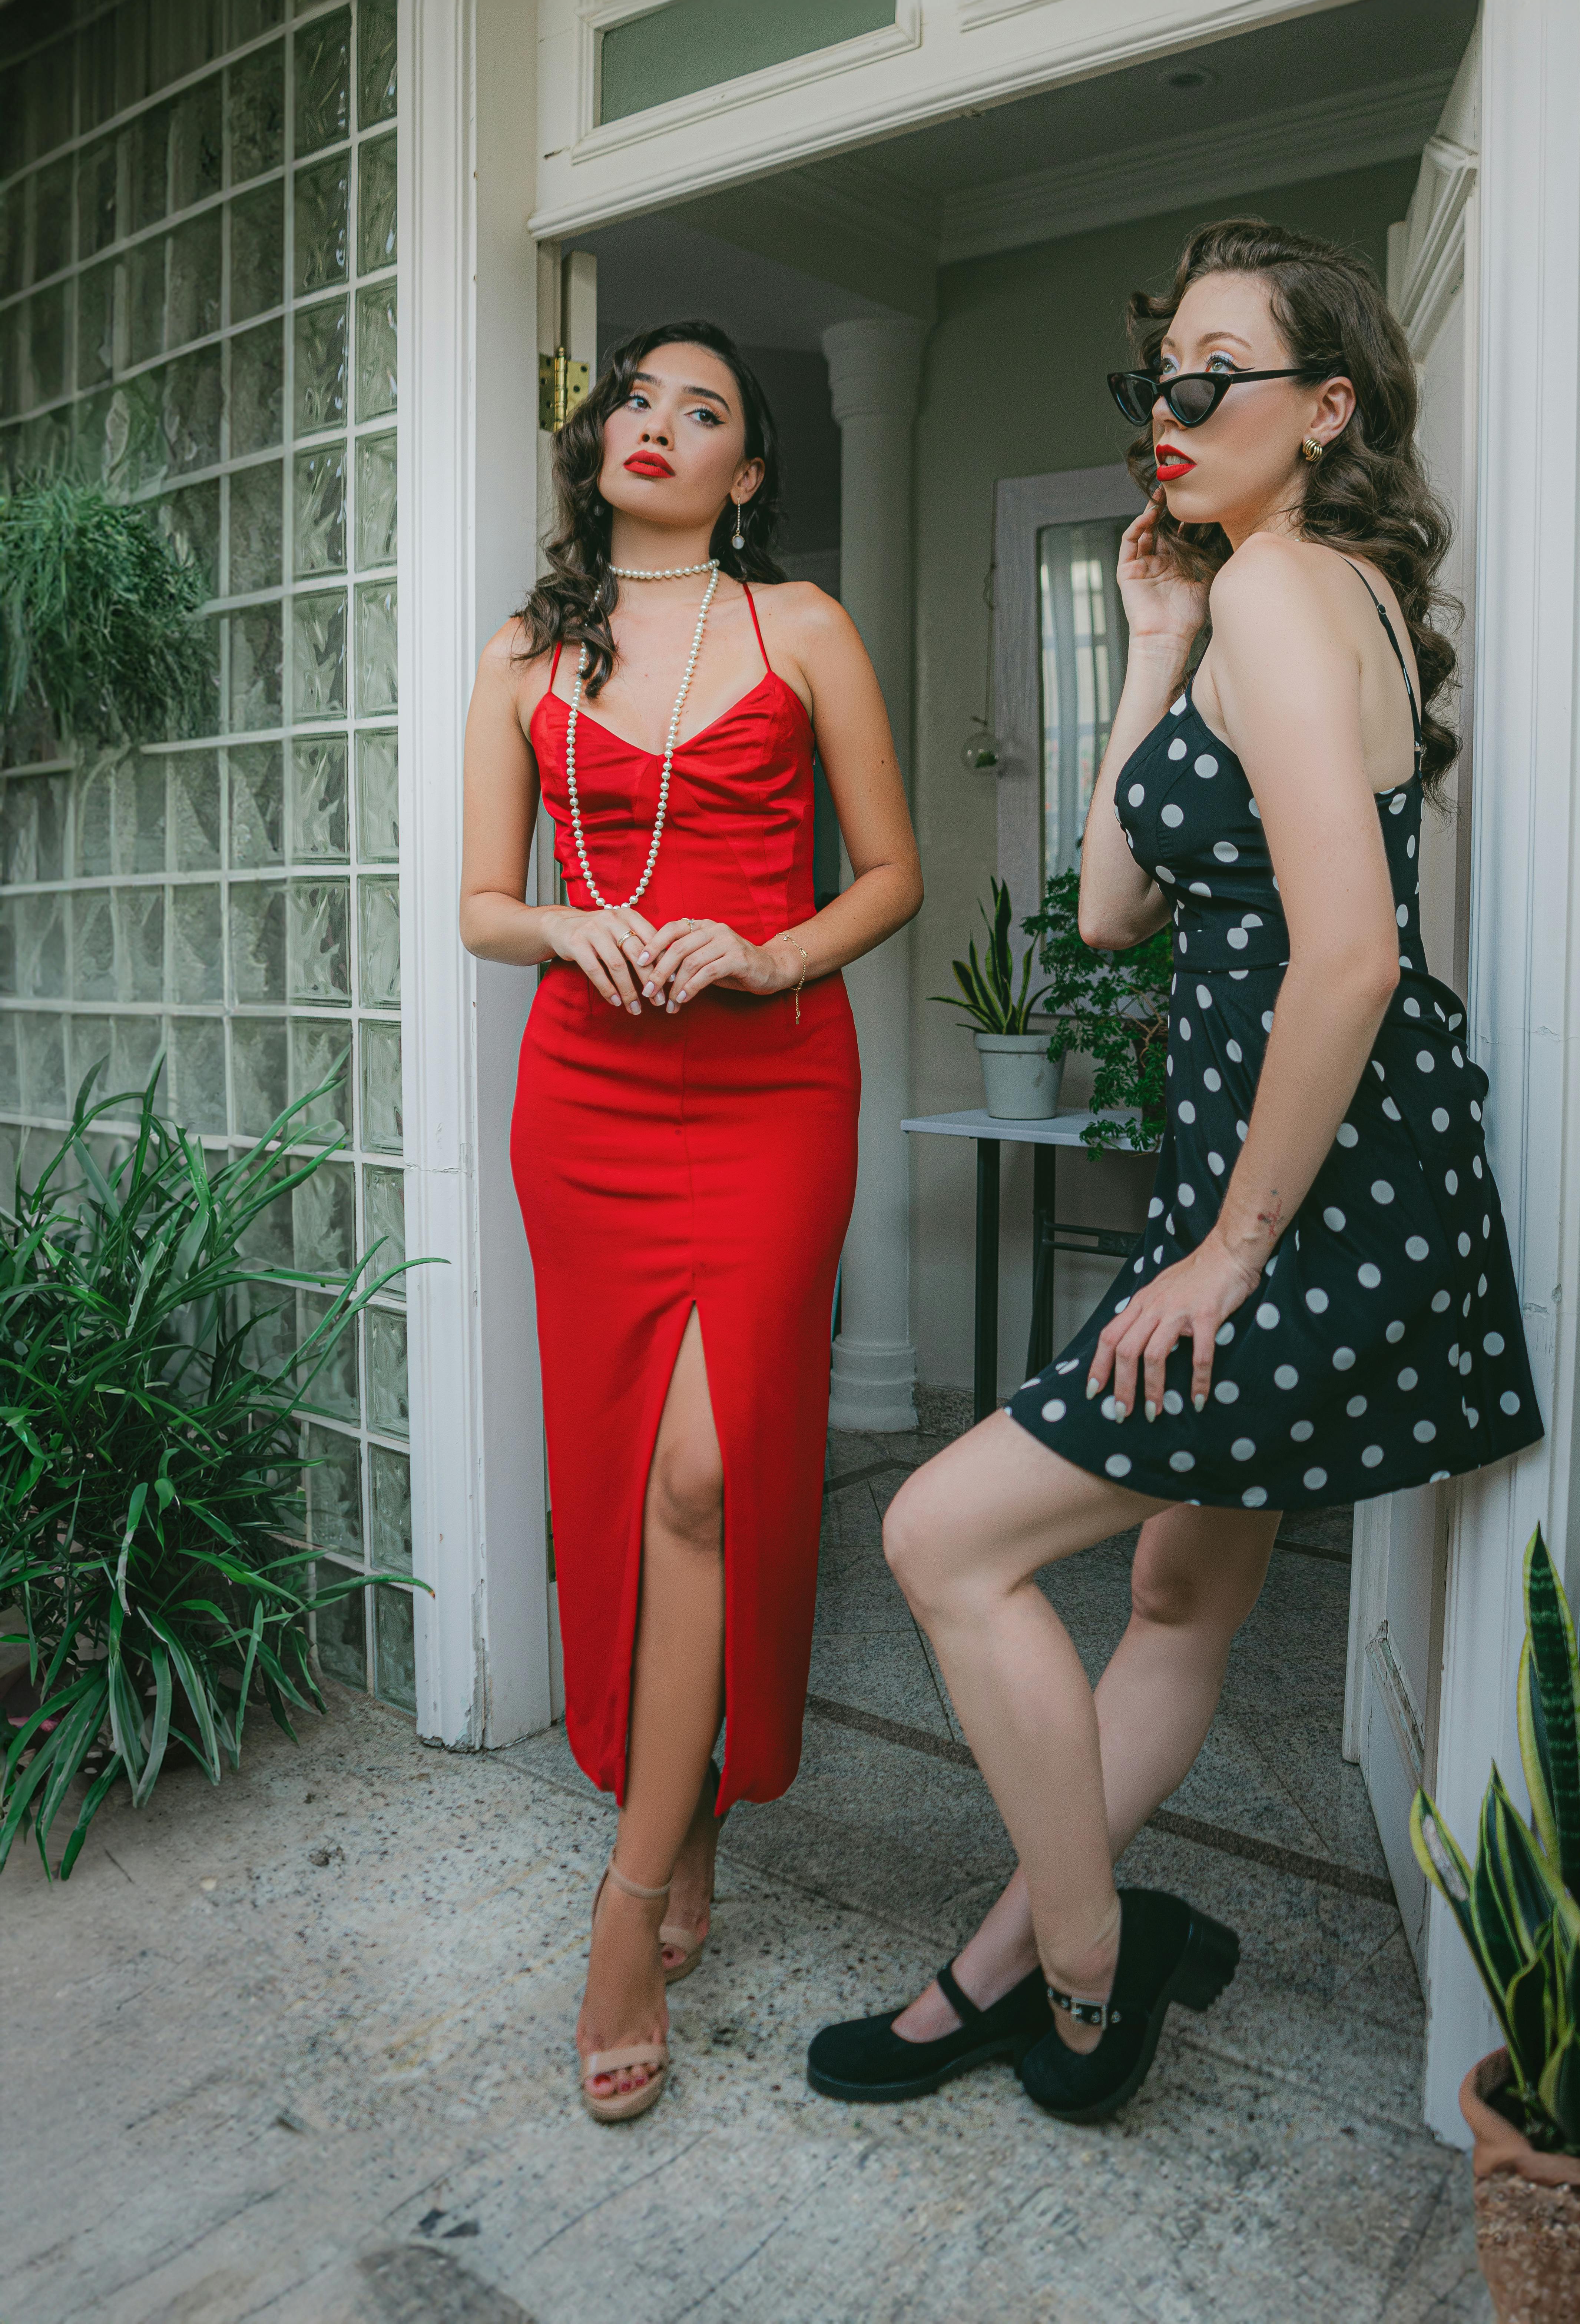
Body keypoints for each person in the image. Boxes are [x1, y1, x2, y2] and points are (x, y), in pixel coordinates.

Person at [808, 220, 1542, 2124]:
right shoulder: (1266, 595)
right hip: (1313, 1169)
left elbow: (1354, 954)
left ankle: (1083, 1975)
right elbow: (1121, 909)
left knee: (937, 1538)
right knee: (1178, 1603)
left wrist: (1228, 1250)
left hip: (1305, 1194)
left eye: (1218, 375)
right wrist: (1144, 644)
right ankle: (998, 1971)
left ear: (1328, 408)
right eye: (1160, 377)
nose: (1172, 407)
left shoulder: (1296, 589)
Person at [461, 319, 920, 2122]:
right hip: (584, 1098)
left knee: (713, 1480)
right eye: (636, 401)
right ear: (601, 447)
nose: (657, 425)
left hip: (772, 1088)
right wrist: (578, 930)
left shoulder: (799, 631)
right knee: (628, 1477)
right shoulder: (524, 650)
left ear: (749, 473)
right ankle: (685, 1801)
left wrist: (768, 951)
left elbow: (890, 872)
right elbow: (488, 905)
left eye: (702, 411)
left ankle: (628, 1898)